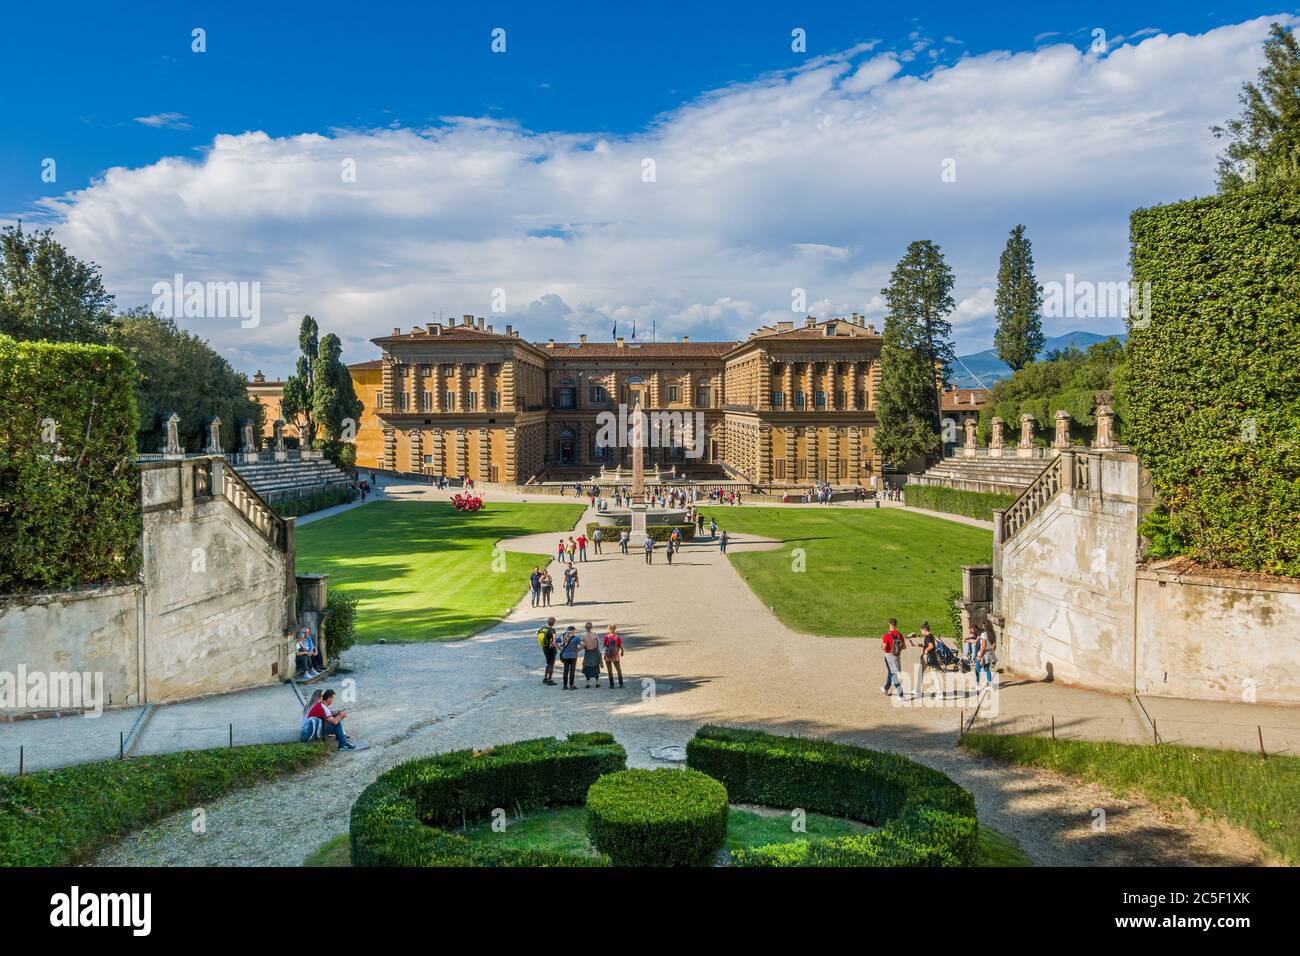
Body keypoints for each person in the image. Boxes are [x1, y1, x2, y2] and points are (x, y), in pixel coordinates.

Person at [881, 618, 904, 698]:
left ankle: (901, 694)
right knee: (890, 672)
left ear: (889, 624)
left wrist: (882, 647)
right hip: (897, 657)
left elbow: (884, 647)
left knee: (893, 675)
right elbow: (904, 646)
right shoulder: (899, 634)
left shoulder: (887, 635)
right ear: (896, 625)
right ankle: (885, 689)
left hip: (888, 657)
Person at [917, 623, 938, 698]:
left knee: (934, 674)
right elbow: (925, 644)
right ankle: (917, 690)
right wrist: (916, 645)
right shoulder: (929, 636)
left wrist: (926, 650)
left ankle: (939, 693)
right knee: (919, 672)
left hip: (929, 657)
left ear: (924, 629)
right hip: (928, 657)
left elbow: (931, 646)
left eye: (921, 631)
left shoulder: (928, 637)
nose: (921, 632)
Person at [560, 625, 582, 689]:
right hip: (573, 656)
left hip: (565, 656)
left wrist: (560, 649)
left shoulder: (563, 637)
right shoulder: (576, 638)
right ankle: (571, 685)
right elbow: (583, 644)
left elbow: (554, 641)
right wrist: (578, 650)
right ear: (573, 632)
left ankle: (565, 686)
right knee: (572, 671)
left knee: (565, 670)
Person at [581, 622, 602, 688]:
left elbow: (582, 644)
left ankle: (589, 683)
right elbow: (598, 643)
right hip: (593, 651)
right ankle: (596, 682)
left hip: (589, 652)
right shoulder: (594, 634)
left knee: (588, 667)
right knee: (594, 666)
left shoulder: (584, 635)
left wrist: (585, 647)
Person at [538, 617, 558, 685]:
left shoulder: (543, 629)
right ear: (553, 623)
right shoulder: (552, 630)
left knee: (548, 663)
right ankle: (550, 680)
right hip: (551, 649)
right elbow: (554, 640)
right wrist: (557, 648)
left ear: (548, 622)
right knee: (551, 664)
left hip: (544, 648)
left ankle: (545, 677)